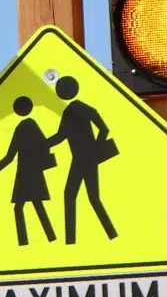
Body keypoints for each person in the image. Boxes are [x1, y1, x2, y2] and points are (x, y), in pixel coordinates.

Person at [47, 75, 119, 242]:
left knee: (72, 195)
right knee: (90, 197)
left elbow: (60, 136)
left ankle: (71, 239)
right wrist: (95, 150)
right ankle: (110, 234)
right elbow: (103, 130)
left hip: (82, 159)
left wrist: (43, 144)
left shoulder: (72, 111)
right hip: (84, 159)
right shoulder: (80, 109)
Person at [0, 95, 58, 246]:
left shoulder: (23, 127)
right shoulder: (30, 126)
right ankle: (48, 237)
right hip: (31, 173)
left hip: (26, 175)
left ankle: (28, 241)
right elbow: (44, 145)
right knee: (34, 206)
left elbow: (10, 156)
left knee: (22, 208)